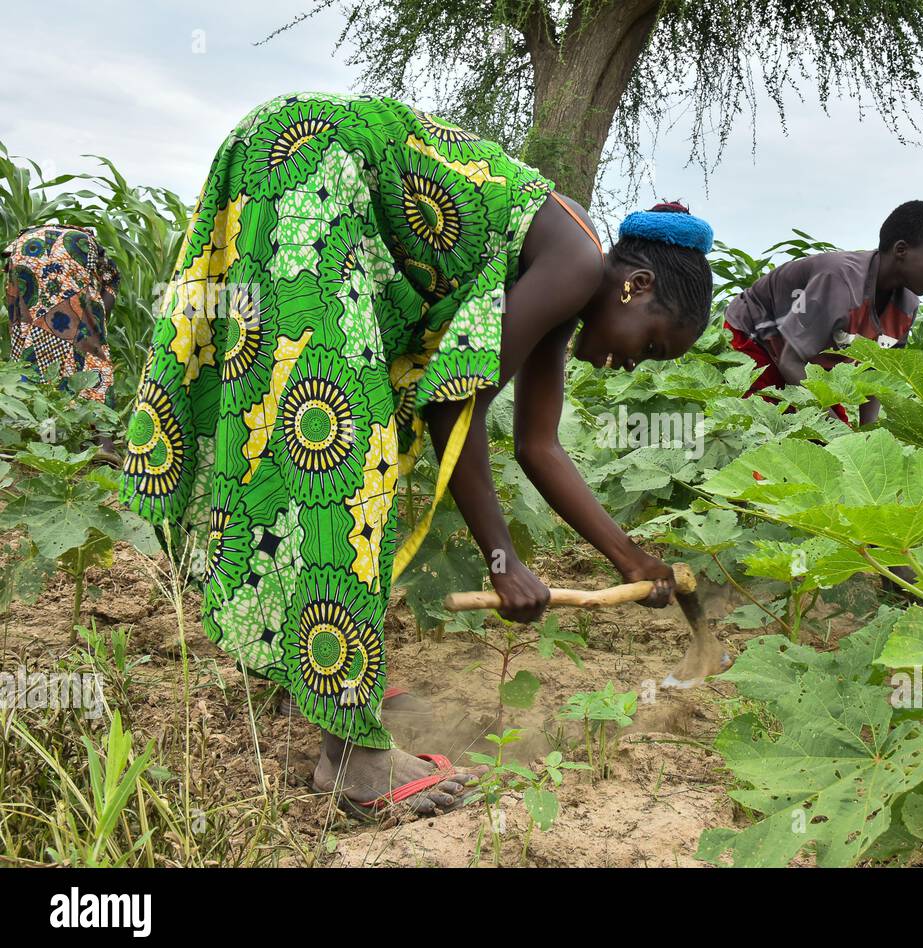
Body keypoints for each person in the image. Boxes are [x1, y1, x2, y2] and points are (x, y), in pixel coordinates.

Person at [118, 91, 714, 818]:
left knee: (316, 435)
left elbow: (537, 443)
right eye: (650, 343)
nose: (633, 364)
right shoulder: (578, 265)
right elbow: (454, 405)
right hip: (312, 162)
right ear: (638, 285)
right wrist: (505, 560)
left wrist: (630, 557)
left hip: (298, 157)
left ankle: (309, 675)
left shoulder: (573, 274)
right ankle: (354, 757)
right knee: (341, 448)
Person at [723, 200, 923, 426]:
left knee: (833, 444)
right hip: (756, 337)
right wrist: (835, 432)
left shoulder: (906, 307)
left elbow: (874, 374)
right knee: (767, 433)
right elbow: (790, 362)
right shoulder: (840, 284)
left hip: (806, 360)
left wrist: (866, 434)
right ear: (901, 250)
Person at [3, 223, 120, 405]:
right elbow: (111, 282)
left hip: (23, 248)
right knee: (91, 361)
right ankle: (97, 422)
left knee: (26, 337)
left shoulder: (26, 238)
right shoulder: (94, 250)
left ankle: (27, 412)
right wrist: (94, 323)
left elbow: (13, 308)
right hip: (75, 248)